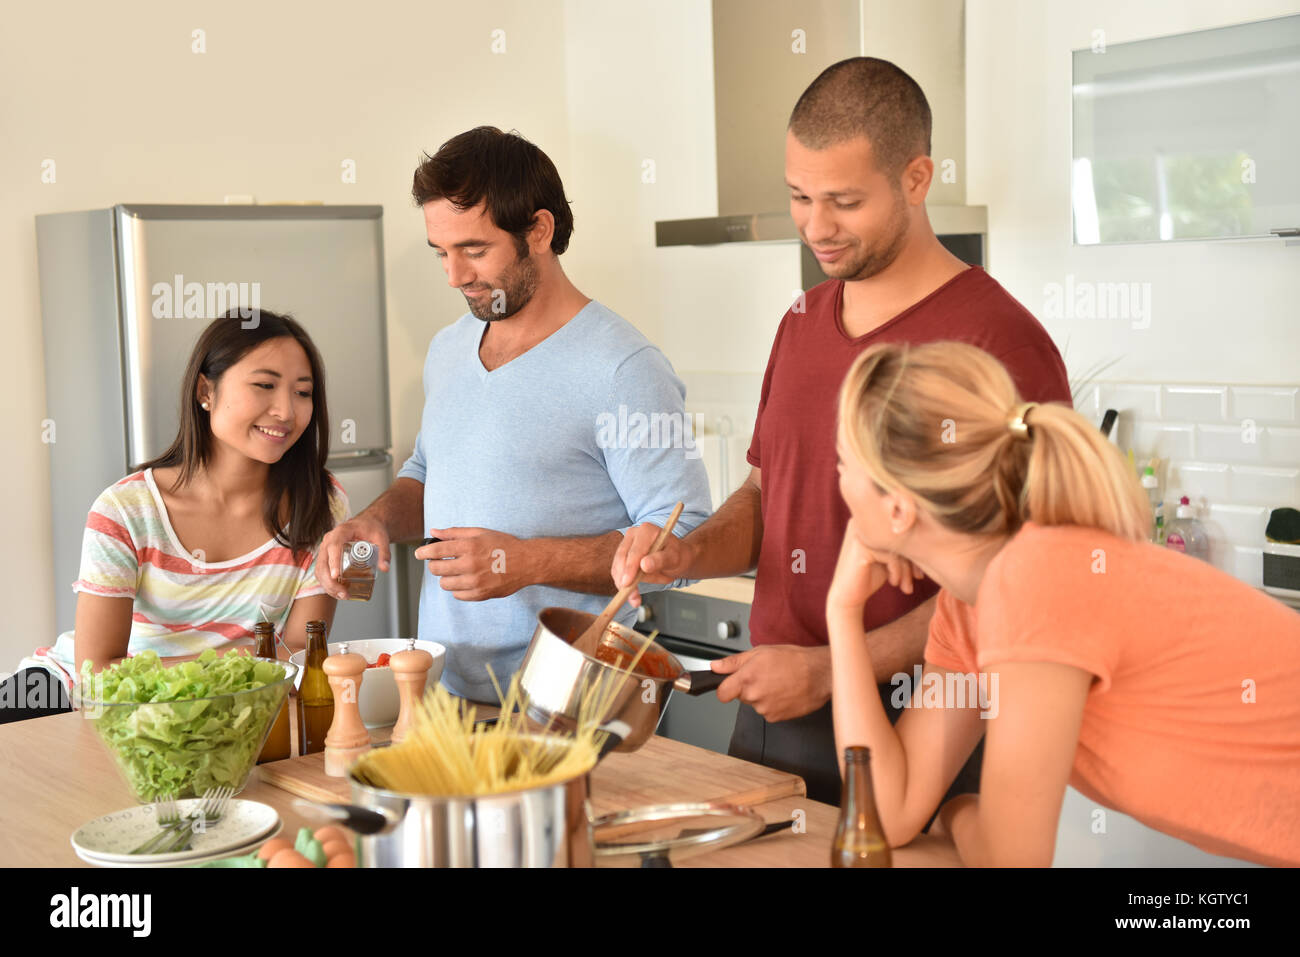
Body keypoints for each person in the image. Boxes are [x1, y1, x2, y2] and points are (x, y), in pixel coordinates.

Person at [612, 57, 1072, 804]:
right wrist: (687, 551)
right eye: (799, 196)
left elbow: (1019, 576)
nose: (815, 226)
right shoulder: (800, 324)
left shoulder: (999, 343)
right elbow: (767, 493)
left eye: (844, 201)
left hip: (922, 721)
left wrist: (838, 665)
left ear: (916, 179)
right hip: (772, 710)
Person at [827, 339, 1300, 866]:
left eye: (844, 463)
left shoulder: (1034, 580)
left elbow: (1012, 861)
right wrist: (842, 613)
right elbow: (887, 814)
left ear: (897, 509)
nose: (837, 480)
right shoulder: (971, 606)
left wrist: (958, 810)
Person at [316, 127, 711, 703]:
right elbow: (429, 474)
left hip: (570, 704)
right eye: (442, 254)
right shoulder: (449, 349)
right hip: (443, 694)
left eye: (474, 251)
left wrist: (526, 561)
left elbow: (687, 539)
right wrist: (375, 521)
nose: (455, 276)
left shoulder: (624, 367)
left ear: (539, 231)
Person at [3, 310, 346, 722]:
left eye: (302, 392)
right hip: (73, 695)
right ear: (206, 390)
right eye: (265, 385)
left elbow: (298, 659)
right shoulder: (126, 511)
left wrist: (227, 674)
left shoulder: (319, 505)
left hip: (218, 706)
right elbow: (95, 675)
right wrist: (235, 661)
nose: (286, 411)